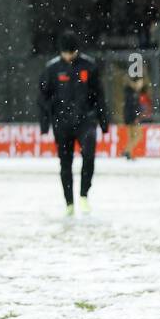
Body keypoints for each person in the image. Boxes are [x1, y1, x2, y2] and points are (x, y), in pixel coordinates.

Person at [39, 30, 108, 214]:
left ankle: (84, 195)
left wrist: (103, 122)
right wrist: (45, 125)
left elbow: (99, 96)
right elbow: (43, 98)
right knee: (65, 163)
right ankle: (69, 203)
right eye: (65, 53)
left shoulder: (89, 66)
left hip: (86, 121)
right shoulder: (52, 69)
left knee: (89, 157)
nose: (69, 56)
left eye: (72, 52)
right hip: (62, 124)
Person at [122, 75, 151, 160]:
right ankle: (127, 151)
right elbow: (132, 107)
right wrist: (135, 117)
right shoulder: (133, 93)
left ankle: (129, 153)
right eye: (140, 83)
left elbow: (127, 106)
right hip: (132, 117)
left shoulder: (129, 92)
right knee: (138, 135)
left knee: (131, 137)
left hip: (128, 117)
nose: (140, 85)